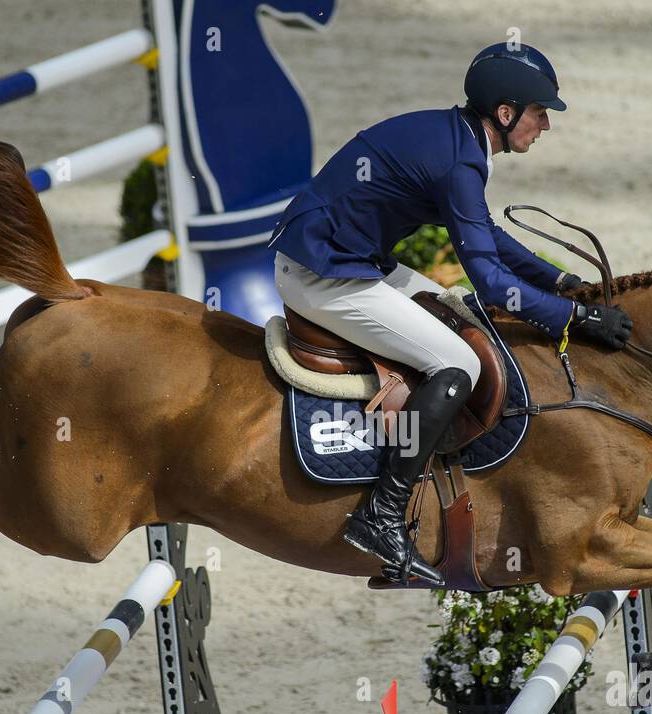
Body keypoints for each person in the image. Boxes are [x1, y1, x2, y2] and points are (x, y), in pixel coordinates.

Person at [270, 42, 632, 585]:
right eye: (540, 113)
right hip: (325, 274)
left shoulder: (458, 138)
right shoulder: (461, 159)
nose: (545, 126)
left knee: (455, 312)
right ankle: (382, 515)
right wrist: (572, 319)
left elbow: (487, 235)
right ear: (505, 114)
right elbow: (487, 278)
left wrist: (560, 282)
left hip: (353, 259)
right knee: (456, 364)